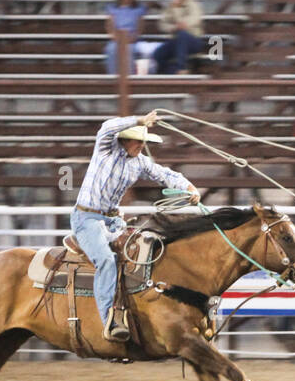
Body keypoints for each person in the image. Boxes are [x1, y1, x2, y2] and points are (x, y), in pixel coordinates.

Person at [72, 112, 199, 341]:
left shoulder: (139, 163)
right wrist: (139, 120)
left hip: (113, 220)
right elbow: (106, 127)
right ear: (125, 140)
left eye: (144, 141)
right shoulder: (105, 150)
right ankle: (108, 320)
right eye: (138, 140)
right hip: (87, 219)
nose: (142, 145)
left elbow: (164, 174)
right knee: (106, 261)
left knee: (142, 252)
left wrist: (188, 187)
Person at [153, 0, 207, 74]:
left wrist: (176, 13)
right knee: (158, 54)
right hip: (176, 40)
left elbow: (192, 20)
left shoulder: (195, 5)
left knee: (182, 35)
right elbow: (162, 24)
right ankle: (169, 72)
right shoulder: (170, 6)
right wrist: (173, 27)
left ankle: (182, 68)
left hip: (193, 41)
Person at [103, 0, 156, 76]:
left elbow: (140, 27)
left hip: (133, 39)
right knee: (111, 49)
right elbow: (109, 26)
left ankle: (129, 78)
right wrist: (117, 38)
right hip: (117, 39)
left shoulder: (139, 8)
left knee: (130, 50)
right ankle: (113, 78)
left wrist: (132, 38)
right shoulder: (112, 8)